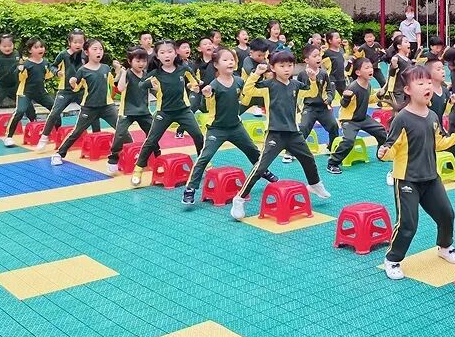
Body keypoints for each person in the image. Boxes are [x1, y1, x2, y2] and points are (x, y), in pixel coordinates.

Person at [378, 64, 455, 280]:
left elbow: (439, 143)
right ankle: (392, 259)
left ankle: (445, 247)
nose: (427, 86)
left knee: (446, 214)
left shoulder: (433, 116)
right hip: (407, 180)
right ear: (407, 90)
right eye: (420, 83)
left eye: (429, 82)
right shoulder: (402, 119)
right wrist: (383, 153)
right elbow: (392, 147)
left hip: (430, 178)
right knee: (408, 224)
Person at [185, 48, 278, 211]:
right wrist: (207, 95)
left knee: (254, 152)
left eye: (232, 60)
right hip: (216, 129)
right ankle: (190, 189)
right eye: (226, 60)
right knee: (204, 158)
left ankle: (264, 172)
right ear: (216, 65)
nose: (230, 62)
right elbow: (208, 107)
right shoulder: (213, 85)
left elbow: (245, 98)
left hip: (236, 127)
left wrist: (258, 76)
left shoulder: (239, 81)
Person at [237, 50, 330, 211]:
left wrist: (313, 80)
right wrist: (256, 74)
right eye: (282, 66)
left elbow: (312, 93)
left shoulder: (296, 85)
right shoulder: (268, 85)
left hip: (294, 133)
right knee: (260, 167)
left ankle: (315, 184)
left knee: (308, 159)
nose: (287, 69)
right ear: (273, 68)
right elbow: (249, 91)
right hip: (275, 133)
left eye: (290, 65)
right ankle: (239, 198)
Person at [130, 40, 204, 187]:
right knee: (151, 140)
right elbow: (141, 84)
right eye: (162, 53)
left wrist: (193, 86)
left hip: (183, 110)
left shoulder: (184, 69)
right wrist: (150, 84)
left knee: (198, 135)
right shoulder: (155, 73)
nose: (167, 55)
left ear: (175, 52)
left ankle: (204, 164)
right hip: (164, 112)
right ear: (157, 56)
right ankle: (138, 170)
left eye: (169, 51)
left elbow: (194, 82)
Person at [51, 40, 119, 166]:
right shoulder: (82, 71)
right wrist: (72, 83)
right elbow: (76, 88)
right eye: (95, 49)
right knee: (77, 132)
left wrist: (119, 71)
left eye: (101, 49)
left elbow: (113, 84)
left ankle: (131, 155)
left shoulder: (105, 68)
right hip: (89, 108)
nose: (99, 52)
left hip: (107, 106)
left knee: (122, 131)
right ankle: (59, 154)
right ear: (87, 52)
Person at [38, 29, 100, 147]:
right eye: (75, 42)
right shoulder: (63, 54)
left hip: (82, 90)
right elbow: (53, 66)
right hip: (65, 91)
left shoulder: (86, 55)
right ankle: (44, 137)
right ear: (69, 42)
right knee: (54, 113)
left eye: (81, 42)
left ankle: (97, 136)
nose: (78, 44)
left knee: (93, 113)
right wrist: (57, 72)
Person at [327, 57, 388, 175]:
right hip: (349, 119)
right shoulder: (353, 87)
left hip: (362, 118)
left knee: (381, 131)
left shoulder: (368, 85)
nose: (371, 69)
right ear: (358, 72)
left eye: (371, 67)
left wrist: (378, 95)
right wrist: (346, 97)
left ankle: (381, 154)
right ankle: (332, 163)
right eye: (367, 68)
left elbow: (367, 100)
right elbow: (344, 105)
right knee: (349, 141)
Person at [107, 47, 158, 176]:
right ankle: (113, 159)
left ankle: (157, 156)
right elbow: (120, 88)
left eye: (143, 61)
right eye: (138, 61)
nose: (141, 64)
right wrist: (123, 73)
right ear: (130, 61)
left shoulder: (146, 75)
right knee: (120, 135)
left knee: (153, 134)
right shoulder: (128, 74)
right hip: (127, 111)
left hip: (144, 111)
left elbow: (154, 90)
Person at [4, 38, 54, 146]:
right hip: (25, 93)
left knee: (55, 109)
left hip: (41, 92)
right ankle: (8, 137)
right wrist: (21, 70)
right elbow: (19, 78)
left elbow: (48, 76)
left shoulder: (45, 62)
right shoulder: (26, 64)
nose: (40, 49)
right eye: (36, 47)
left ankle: (56, 132)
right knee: (20, 112)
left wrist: (57, 71)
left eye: (41, 46)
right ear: (30, 50)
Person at [298, 44, 340, 149]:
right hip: (309, 107)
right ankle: (293, 151)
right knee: (303, 127)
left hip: (323, 107)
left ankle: (332, 146)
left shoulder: (323, 73)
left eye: (319, 55)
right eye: (315, 56)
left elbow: (329, 89)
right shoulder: (302, 75)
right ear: (306, 60)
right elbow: (297, 91)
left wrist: (329, 98)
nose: (318, 58)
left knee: (334, 126)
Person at [380, 34, 413, 108]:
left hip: (406, 90)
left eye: (408, 42)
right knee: (398, 110)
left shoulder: (408, 60)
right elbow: (391, 74)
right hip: (397, 91)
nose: (409, 43)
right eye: (406, 42)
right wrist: (394, 66)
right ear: (399, 46)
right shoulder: (396, 58)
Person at [321, 30, 349, 95]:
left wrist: (346, 48)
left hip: (341, 79)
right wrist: (321, 52)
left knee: (346, 97)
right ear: (330, 41)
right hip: (331, 79)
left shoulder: (341, 51)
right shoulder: (327, 53)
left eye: (339, 37)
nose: (339, 39)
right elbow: (320, 63)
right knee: (330, 97)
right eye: (336, 38)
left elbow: (345, 58)